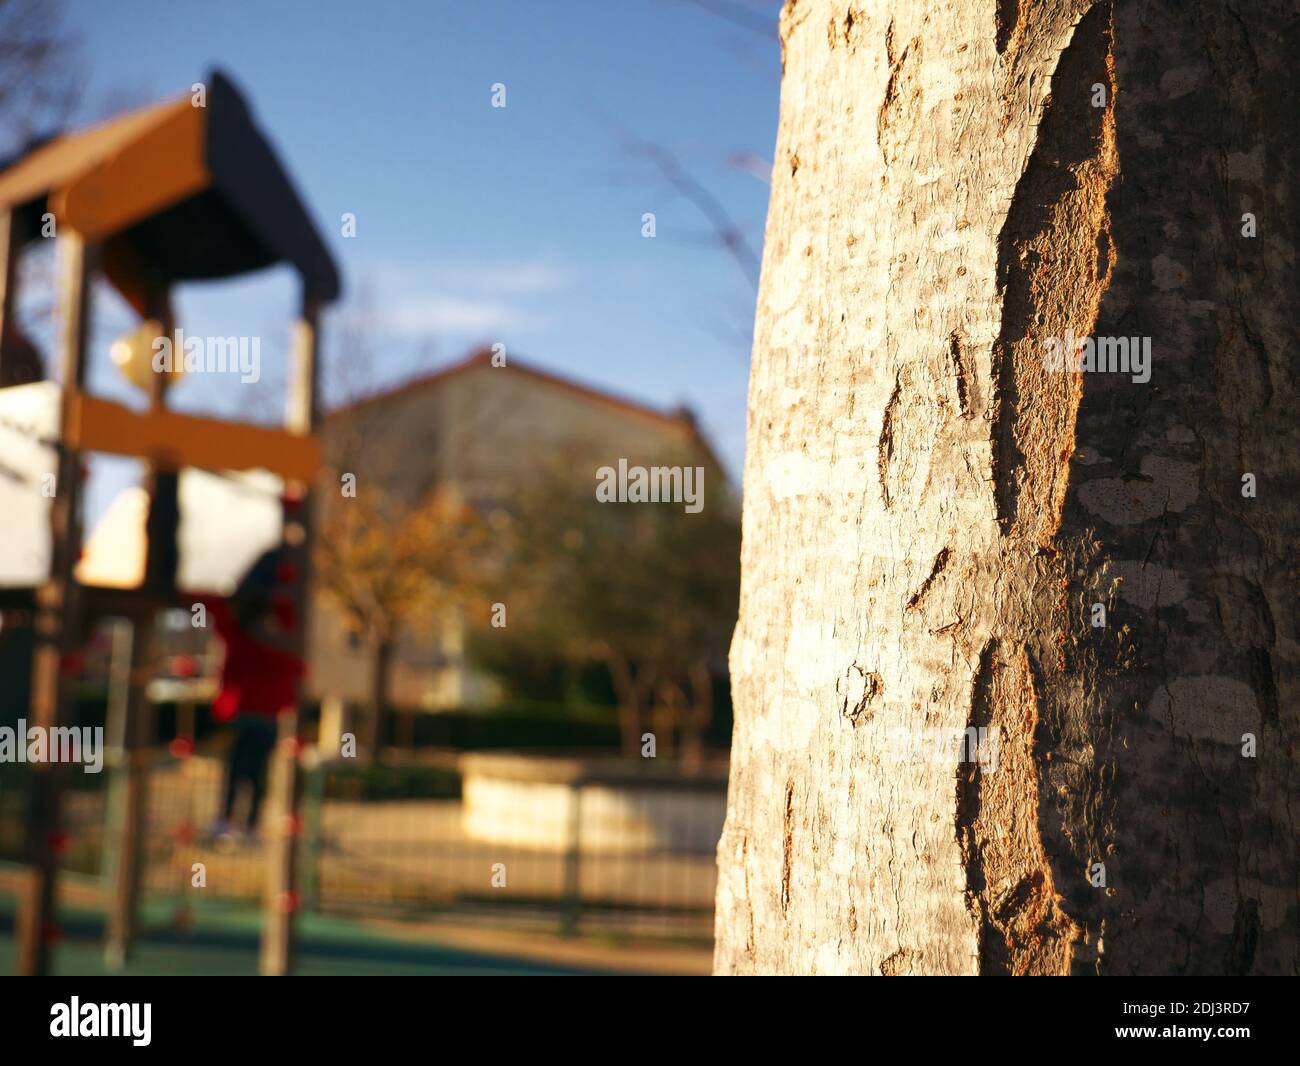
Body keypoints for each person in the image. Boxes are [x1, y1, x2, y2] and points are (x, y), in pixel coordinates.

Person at [200, 548, 304, 842]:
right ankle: (245, 822)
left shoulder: (246, 634)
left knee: (241, 767)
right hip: (263, 712)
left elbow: (217, 610)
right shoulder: (275, 635)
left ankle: (234, 820)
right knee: (252, 769)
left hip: (253, 711)